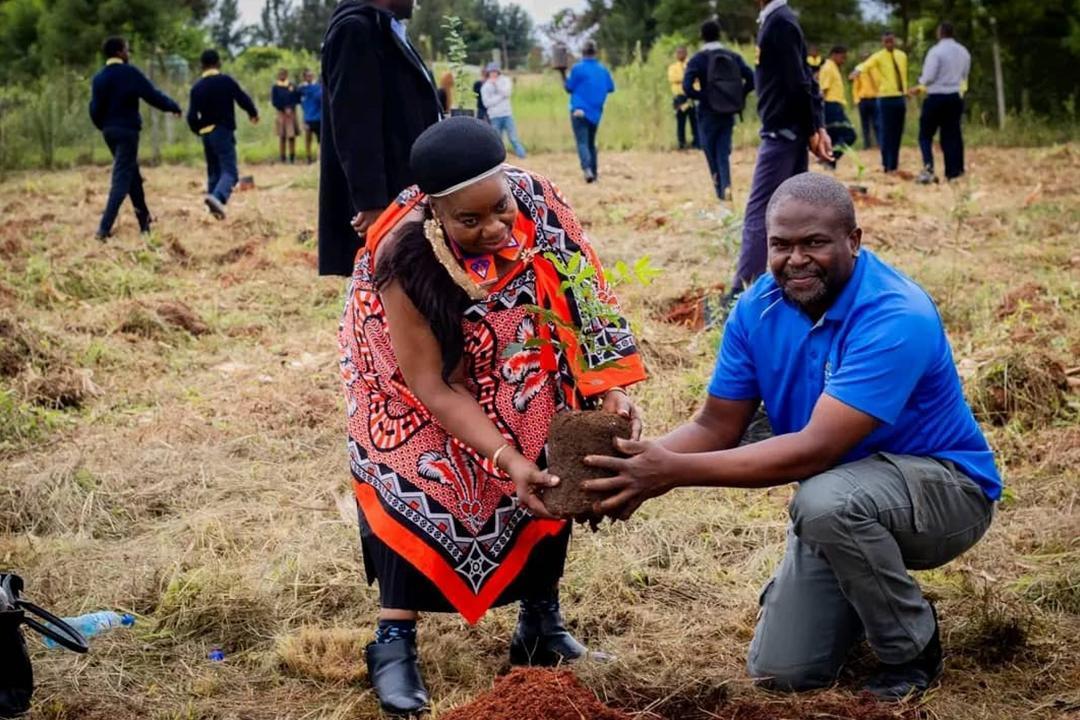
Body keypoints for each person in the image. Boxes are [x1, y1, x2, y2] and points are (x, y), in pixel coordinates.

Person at [582, 172, 1000, 702]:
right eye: (780, 245)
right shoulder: (757, 308)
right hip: (844, 496)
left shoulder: (895, 313)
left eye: (814, 243)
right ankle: (861, 594)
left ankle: (910, 648)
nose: (795, 259)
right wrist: (628, 467)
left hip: (944, 492)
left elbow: (815, 450)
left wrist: (669, 472)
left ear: (853, 240)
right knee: (782, 672)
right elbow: (716, 426)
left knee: (825, 504)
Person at [339, 117, 646, 715]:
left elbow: (585, 290)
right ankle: (394, 641)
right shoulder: (405, 254)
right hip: (408, 377)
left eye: (500, 208)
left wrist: (605, 383)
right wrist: (500, 456)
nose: (495, 228)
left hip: (521, 346)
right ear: (435, 212)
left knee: (546, 448)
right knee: (419, 468)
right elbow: (434, 385)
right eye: (469, 220)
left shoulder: (538, 199)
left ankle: (542, 626)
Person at [318, 0, 441, 277]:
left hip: (405, 191)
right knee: (386, 281)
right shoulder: (355, 30)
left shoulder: (384, 29)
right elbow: (355, 124)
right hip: (387, 202)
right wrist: (372, 203)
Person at [731, 0, 833, 296]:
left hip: (782, 134)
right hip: (790, 131)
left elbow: (799, 82)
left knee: (760, 210)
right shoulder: (777, 20)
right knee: (795, 209)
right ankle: (797, 282)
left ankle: (743, 292)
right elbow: (805, 78)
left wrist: (814, 128)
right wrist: (816, 126)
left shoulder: (781, 23)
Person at [88, 36, 181, 240]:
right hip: (127, 132)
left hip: (109, 132)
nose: (128, 53)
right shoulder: (129, 73)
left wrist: (104, 126)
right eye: (127, 50)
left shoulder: (99, 77)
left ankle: (145, 225)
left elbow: (94, 109)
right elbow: (152, 95)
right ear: (119, 52)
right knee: (122, 179)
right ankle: (103, 229)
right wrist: (172, 106)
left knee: (133, 177)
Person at [684, 20, 754, 202]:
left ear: (702, 36)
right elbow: (752, 79)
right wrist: (739, 96)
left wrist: (704, 96)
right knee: (723, 152)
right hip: (728, 111)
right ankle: (726, 186)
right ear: (719, 35)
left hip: (707, 112)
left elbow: (687, 87)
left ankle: (720, 192)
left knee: (710, 151)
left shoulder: (698, 59)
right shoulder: (733, 56)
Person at [186, 49, 259, 221]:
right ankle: (218, 198)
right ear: (218, 63)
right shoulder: (226, 81)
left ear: (202, 66)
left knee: (214, 173)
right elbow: (242, 98)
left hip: (206, 134)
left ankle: (212, 212)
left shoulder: (197, 87)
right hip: (222, 131)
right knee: (230, 172)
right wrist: (253, 113)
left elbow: (191, 116)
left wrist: (199, 130)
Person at [911, 22, 971, 184]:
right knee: (952, 135)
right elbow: (964, 75)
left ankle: (928, 169)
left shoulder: (936, 51)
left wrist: (919, 85)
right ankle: (954, 172)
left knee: (925, 135)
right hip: (954, 96)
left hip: (936, 96)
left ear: (940, 33)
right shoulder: (963, 51)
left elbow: (929, 76)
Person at [852, 33, 908, 173]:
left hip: (899, 97)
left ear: (894, 41)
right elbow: (865, 65)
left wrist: (906, 91)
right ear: (883, 42)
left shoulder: (902, 56)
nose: (889, 44)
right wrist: (857, 71)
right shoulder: (878, 56)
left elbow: (903, 75)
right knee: (886, 131)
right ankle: (886, 164)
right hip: (885, 98)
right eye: (886, 41)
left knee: (897, 132)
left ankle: (894, 164)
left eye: (891, 41)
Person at [562, 40, 615, 183]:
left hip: (579, 110)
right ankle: (594, 173)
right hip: (596, 113)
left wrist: (562, 73)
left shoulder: (577, 69)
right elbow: (610, 87)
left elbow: (568, 88)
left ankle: (586, 169)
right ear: (595, 52)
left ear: (583, 52)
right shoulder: (602, 69)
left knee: (582, 142)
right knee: (591, 143)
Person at [818, 46, 857, 168]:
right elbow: (823, 90)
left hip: (836, 105)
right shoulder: (828, 68)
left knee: (834, 137)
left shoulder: (834, 68)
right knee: (850, 135)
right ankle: (829, 157)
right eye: (842, 57)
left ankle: (830, 162)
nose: (844, 61)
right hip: (831, 106)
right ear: (834, 55)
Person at [481, 63, 527, 158]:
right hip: (494, 116)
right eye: (491, 72)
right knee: (498, 140)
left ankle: (522, 155)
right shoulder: (485, 86)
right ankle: (499, 158)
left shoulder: (505, 81)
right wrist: (500, 97)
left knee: (513, 138)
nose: (493, 74)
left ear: (498, 72)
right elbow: (487, 103)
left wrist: (496, 85)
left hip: (506, 114)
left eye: (495, 71)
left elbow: (507, 93)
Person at [667, 46, 699, 150]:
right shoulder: (673, 67)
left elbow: (697, 78)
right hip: (679, 97)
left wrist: (687, 78)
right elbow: (673, 78)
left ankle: (697, 142)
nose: (680, 55)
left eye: (682, 52)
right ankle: (682, 143)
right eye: (678, 53)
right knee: (681, 120)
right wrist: (688, 78)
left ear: (686, 53)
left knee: (694, 119)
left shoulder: (691, 66)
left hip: (691, 96)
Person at [271, 68, 299, 163]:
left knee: (292, 136)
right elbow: (274, 101)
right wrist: (283, 108)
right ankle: (282, 157)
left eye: (284, 74)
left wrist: (290, 107)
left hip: (291, 113)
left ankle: (292, 157)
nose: (282, 76)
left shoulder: (292, 85)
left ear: (287, 75)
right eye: (280, 74)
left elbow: (296, 98)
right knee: (282, 136)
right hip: (281, 113)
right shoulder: (275, 87)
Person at [852, 52, 878, 149]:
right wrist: (856, 99)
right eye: (864, 58)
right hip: (863, 99)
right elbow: (855, 86)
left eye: (868, 57)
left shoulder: (875, 68)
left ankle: (879, 143)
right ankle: (867, 144)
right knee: (865, 123)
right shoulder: (858, 70)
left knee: (877, 123)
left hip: (875, 98)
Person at [297, 68, 322, 164]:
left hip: (319, 117)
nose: (310, 77)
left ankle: (319, 158)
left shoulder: (319, 87)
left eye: (311, 75)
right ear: (304, 77)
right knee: (308, 139)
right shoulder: (301, 89)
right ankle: (308, 158)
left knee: (320, 140)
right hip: (308, 117)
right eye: (307, 76)